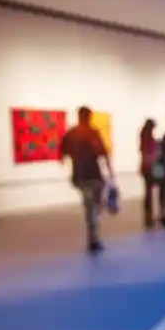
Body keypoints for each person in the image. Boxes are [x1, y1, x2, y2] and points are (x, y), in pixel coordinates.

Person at [59, 106, 115, 254]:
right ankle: (93, 238)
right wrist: (110, 170)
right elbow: (103, 153)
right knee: (93, 207)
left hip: (80, 175)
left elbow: (62, 152)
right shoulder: (92, 133)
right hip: (92, 175)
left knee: (91, 206)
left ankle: (93, 234)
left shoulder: (71, 134)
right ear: (88, 117)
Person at [139, 119, 161, 228]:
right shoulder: (148, 139)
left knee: (148, 192)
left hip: (147, 167)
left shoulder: (144, 138)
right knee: (158, 189)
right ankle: (155, 214)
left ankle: (149, 216)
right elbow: (152, 154)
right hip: (153, 167)